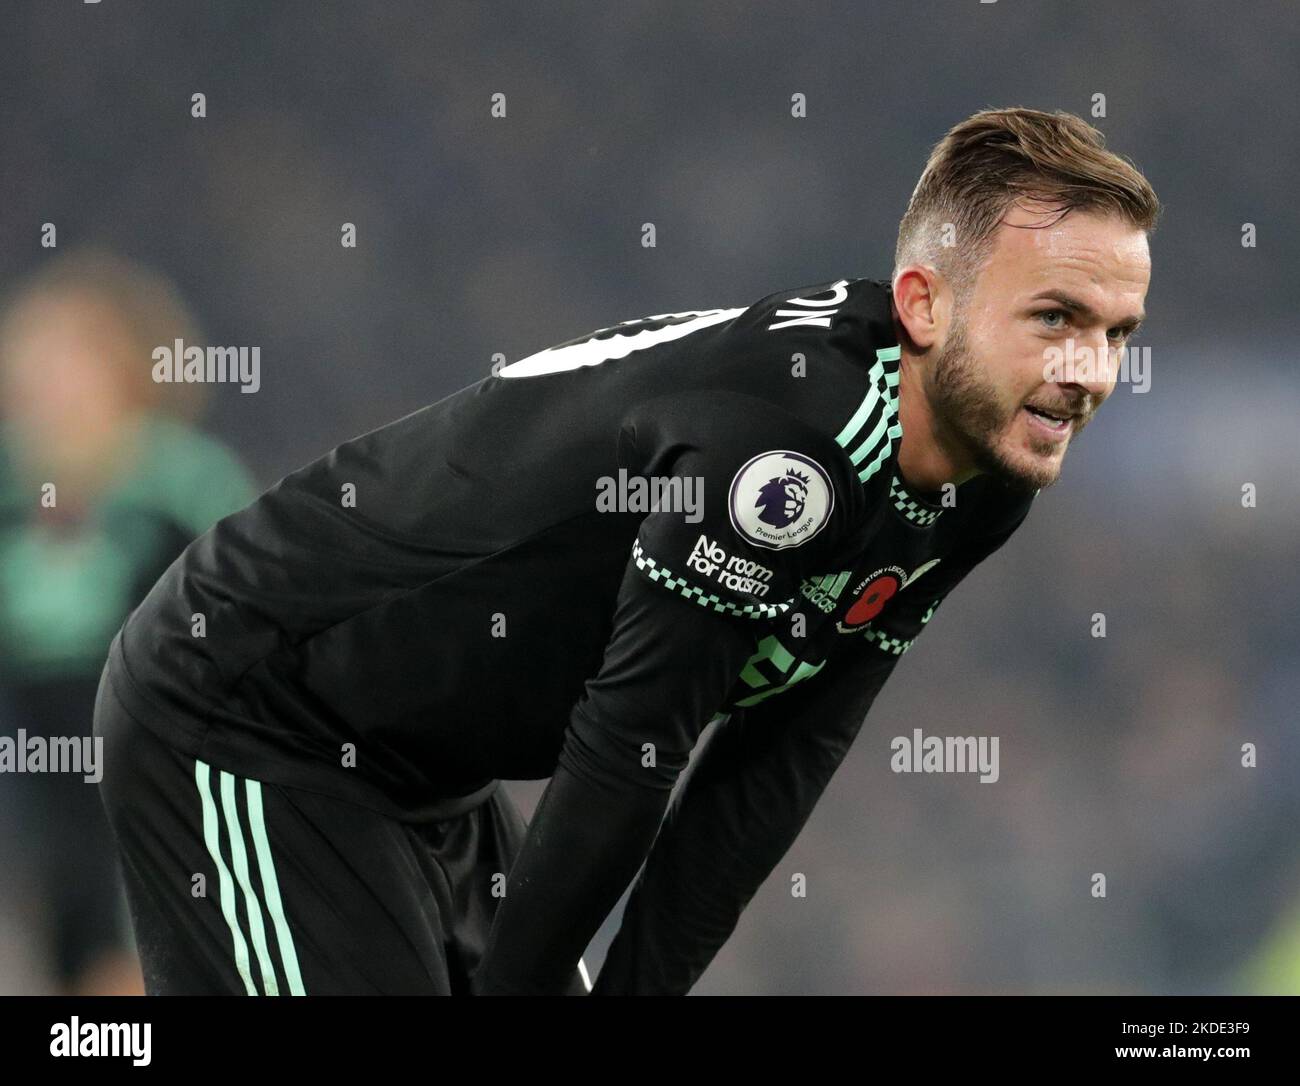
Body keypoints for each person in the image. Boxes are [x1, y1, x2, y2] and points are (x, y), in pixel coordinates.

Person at [93, 107, 1157, 996]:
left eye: (1117, 332)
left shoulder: (982, 480)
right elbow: (633, 743)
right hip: (254, 705)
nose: (1089, 371)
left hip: (427, 772)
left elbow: (774, 763)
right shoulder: (786, 447)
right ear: (923, 303)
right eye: (1055, 316)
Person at [0, 249, 256, 993]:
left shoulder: (180, 486)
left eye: (72, 363)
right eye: (34, 367)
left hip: (164, 779)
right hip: (39, 793)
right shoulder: (11, 491)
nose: (51, 387)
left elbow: (249, 617)